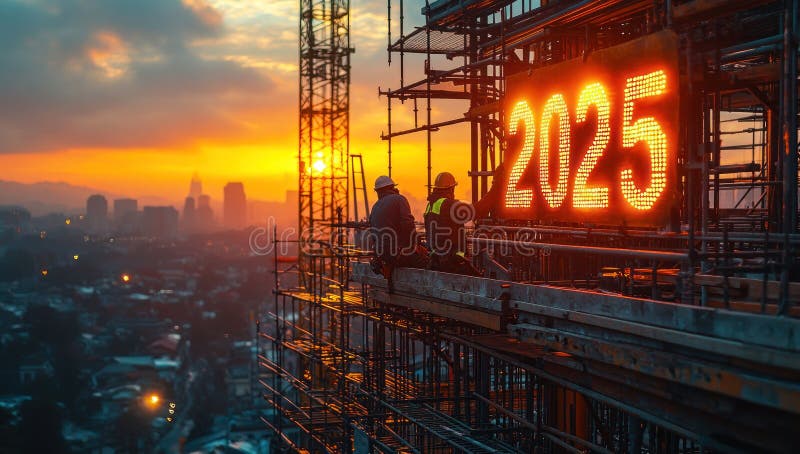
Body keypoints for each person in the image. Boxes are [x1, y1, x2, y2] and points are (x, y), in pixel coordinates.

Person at [368, 176, 427, 281]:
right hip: (398, 255)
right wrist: (414, 244)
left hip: (383, 257)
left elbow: (373, 236)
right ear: (392, 187)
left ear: (378, 191)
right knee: (427, 260)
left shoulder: (375, 207)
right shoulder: (400, 199)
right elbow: (408, 225)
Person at [423, 172, 479, 275]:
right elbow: (474, 212)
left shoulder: (430, 205)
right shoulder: (449, 204)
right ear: (450, 189)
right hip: (451, 259)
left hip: (435, 256)